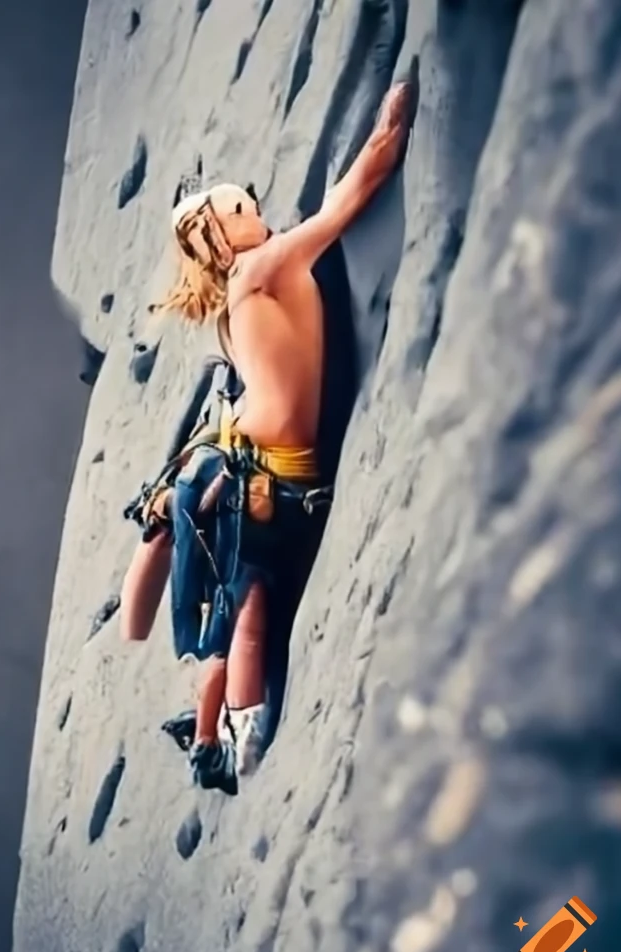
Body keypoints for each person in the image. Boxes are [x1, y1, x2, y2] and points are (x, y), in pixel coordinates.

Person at [120, 82, 413, 794]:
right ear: (226, 238)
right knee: (249, 611)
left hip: (245, 451)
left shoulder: (236, 293)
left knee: (223, 590)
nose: (256, 207)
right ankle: (239, 742)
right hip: (278, 472)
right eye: (242, 208)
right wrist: (392, 119)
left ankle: (206, 723)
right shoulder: (262, 266)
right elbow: (351, 197)